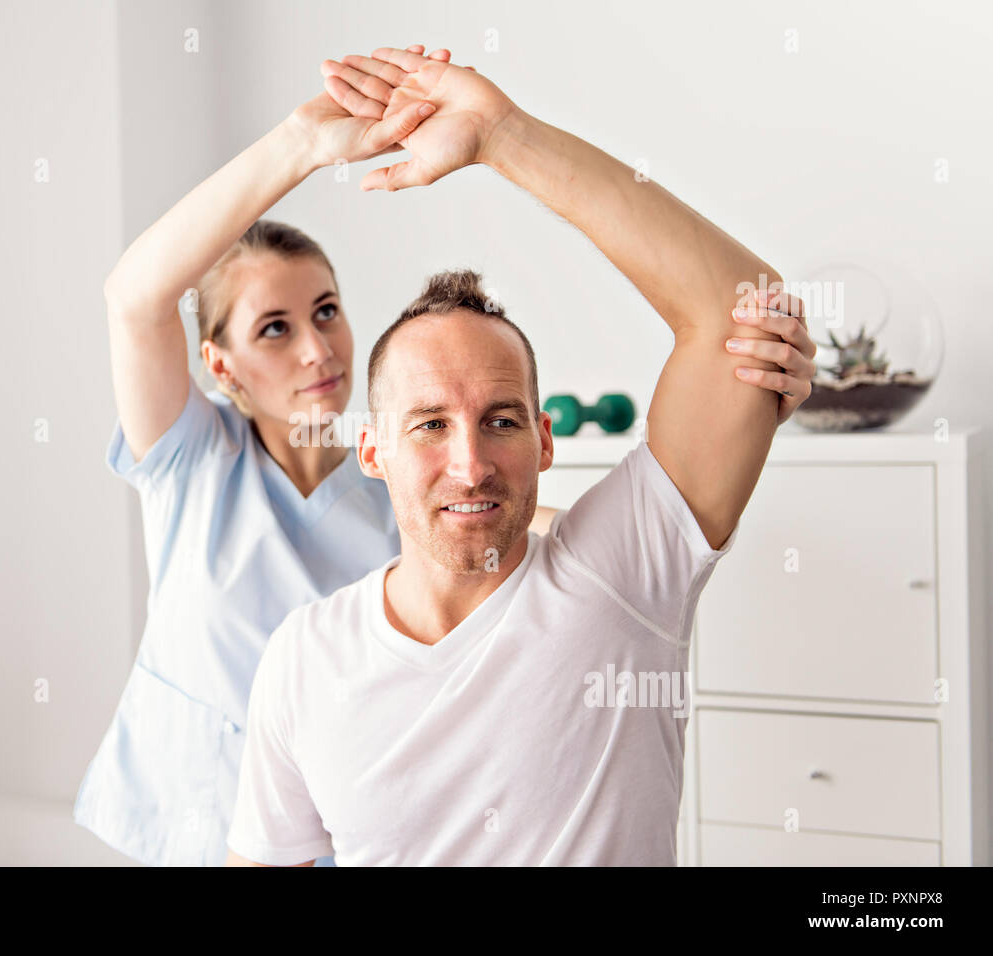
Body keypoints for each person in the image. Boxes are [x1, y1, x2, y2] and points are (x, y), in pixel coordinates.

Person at [76, 43, 813, 867]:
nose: (468, 461)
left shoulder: (614, 581)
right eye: (428, 425)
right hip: (185, 820)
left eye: (500, 421)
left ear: (544, 440)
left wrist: (504, 135)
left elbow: (742, 317)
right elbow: (133, 299)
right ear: (377, 447)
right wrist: (302, 144)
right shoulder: (285, 615)